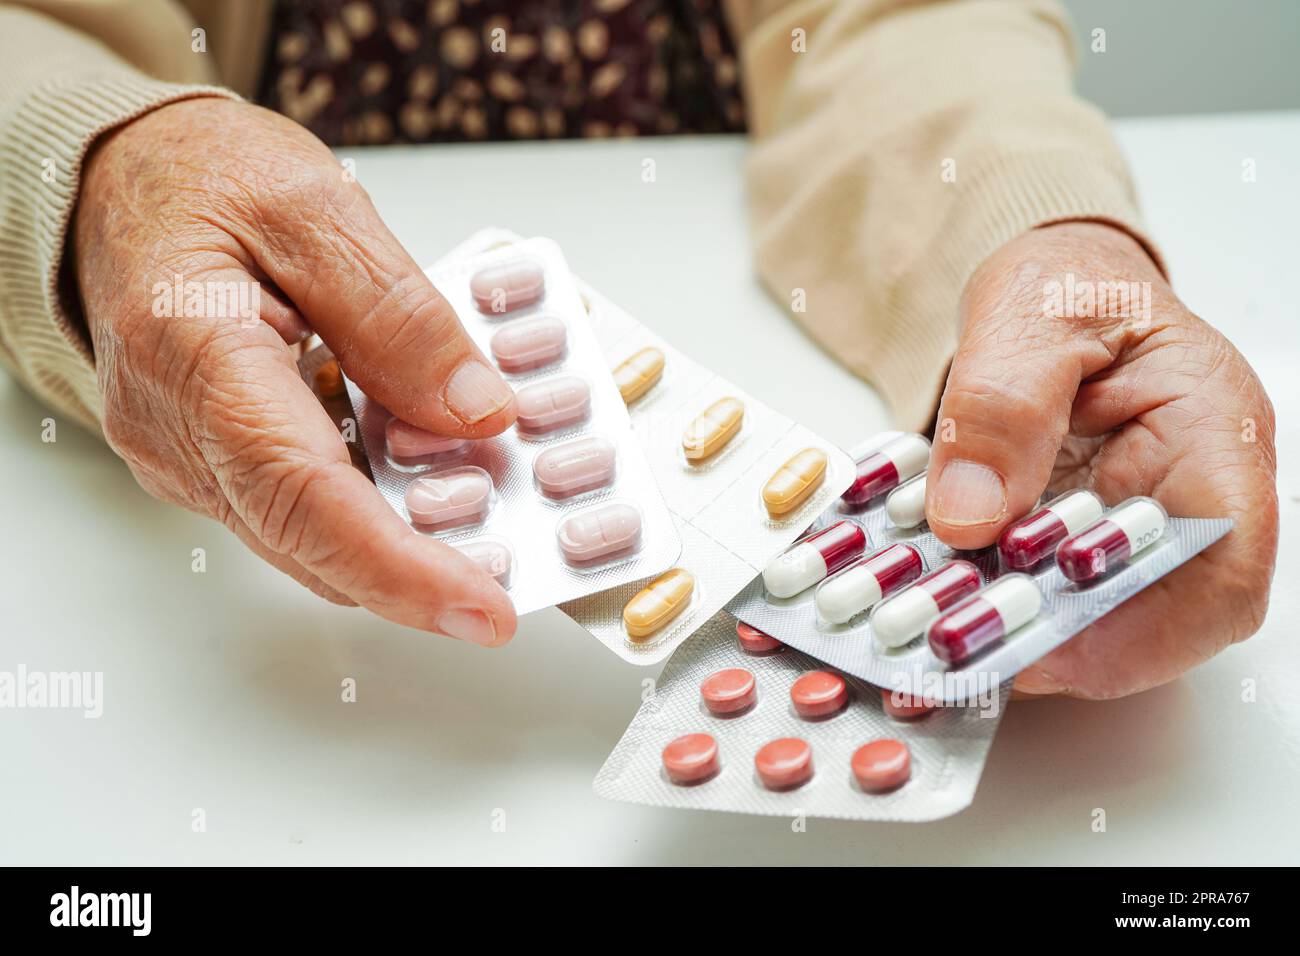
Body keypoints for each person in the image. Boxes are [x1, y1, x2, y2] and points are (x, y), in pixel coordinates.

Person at [0, 0, 1277, 698]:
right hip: (248, 357)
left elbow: (894, 20)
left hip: (716, 265)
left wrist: (1045, 228)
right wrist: (101, 162)